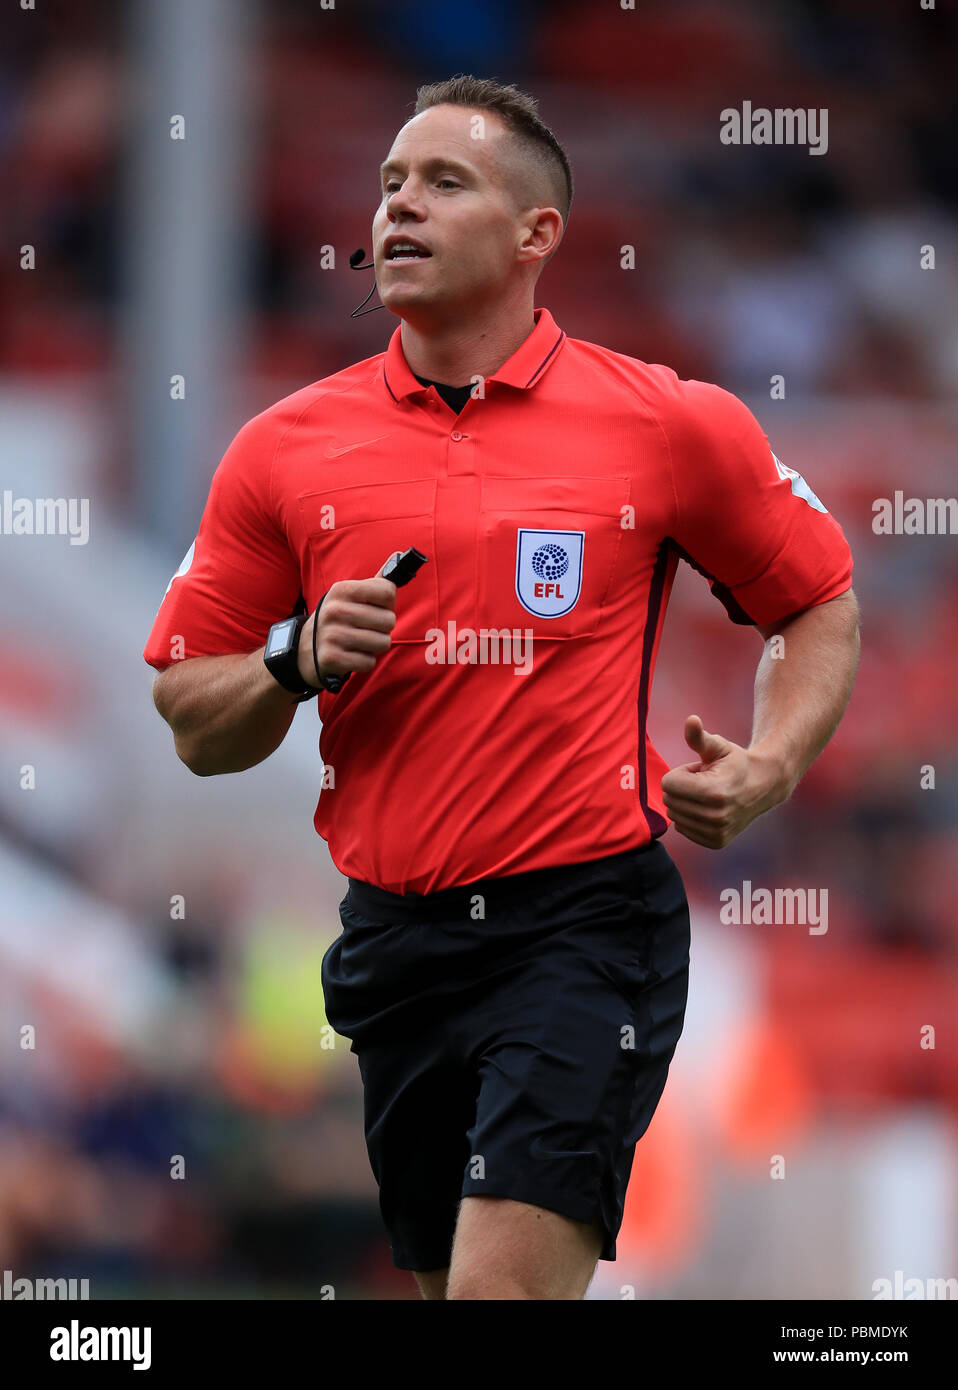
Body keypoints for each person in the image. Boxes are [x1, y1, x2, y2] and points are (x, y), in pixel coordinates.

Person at [144, 75, 860, 1301]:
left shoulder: (667, 422)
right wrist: (294, 658)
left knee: (499, 1295)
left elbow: (816, 601)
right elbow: (195, 722)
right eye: (387, 185)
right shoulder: (282, 447)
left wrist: (772, 760)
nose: (398, 208)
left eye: (443, 181)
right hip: (392, 940)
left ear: (538, 236)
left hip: (584, 924)